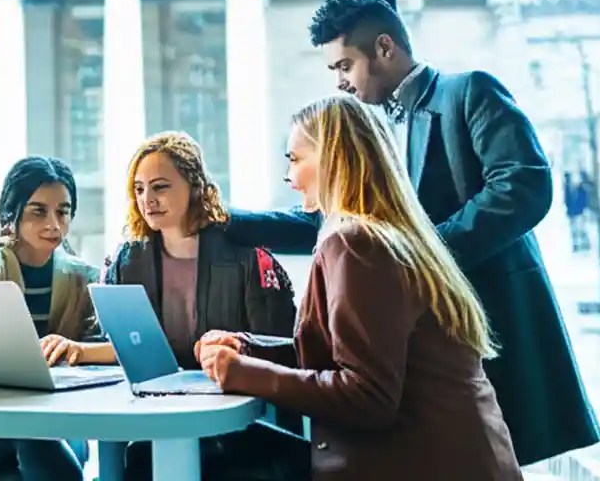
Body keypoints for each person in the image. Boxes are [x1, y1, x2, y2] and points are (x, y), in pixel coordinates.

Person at [230, 0, 599, 465]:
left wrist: (421, 260)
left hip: (490, 319)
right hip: (418, 344)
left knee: (488, 454)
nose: (340, 82)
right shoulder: (375, 129)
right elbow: (335, 220)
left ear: (384, 47)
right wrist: (227, 222)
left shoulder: (470, 92)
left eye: (345, 66)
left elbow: (524, 185)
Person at [197, 94, 521, 480]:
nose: (289, 176)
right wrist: (249, 350)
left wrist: (245, 374)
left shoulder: (355, 244)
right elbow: (349, 357)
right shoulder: (391, 237)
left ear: (333, 158)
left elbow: (368, 397)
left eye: (295, 159)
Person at [104, 131, 302, 481]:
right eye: (139, 189)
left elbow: (283, 350)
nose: (148, 199)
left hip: (238, 419)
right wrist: (77, 349)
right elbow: (129, 347)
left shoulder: (246, 256)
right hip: (159, 412)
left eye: (160, 187)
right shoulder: (129, 259)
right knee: (138, 459)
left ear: (195, 186)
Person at [0, 156, 98, 481]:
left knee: (42, 449)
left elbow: (96, 357)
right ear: (12, 213)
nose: (54, 224)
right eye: (38, 211)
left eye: (63, 212)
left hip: (57, 414)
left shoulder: (84, 279)